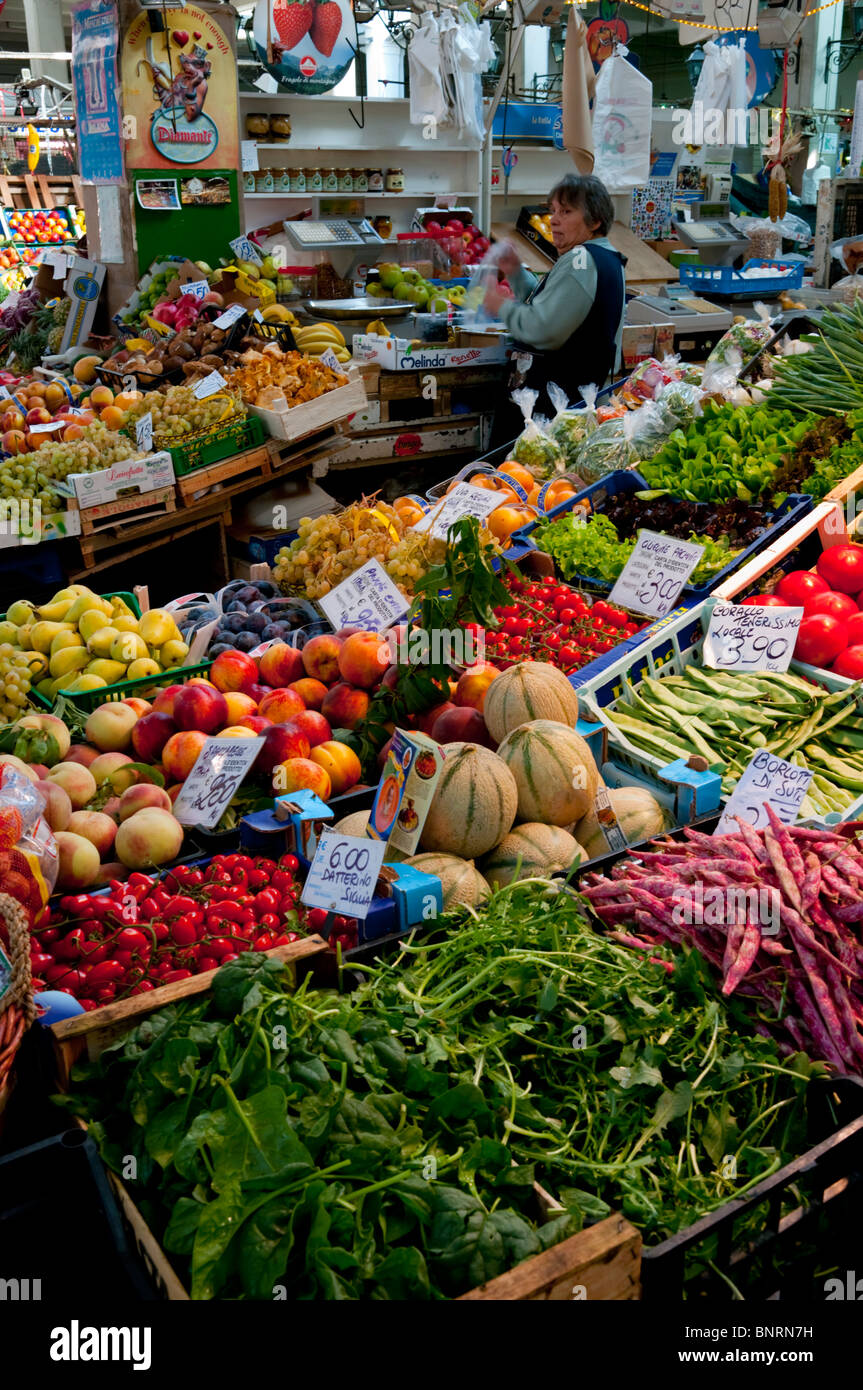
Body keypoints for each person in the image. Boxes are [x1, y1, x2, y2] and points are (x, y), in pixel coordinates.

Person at [484, 173, 626, 448]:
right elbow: (556, 303)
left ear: (595, 221)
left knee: (519, 482)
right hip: (571, 406)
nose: (554, 219)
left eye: (567, 211)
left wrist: (499, 305)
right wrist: (515, 272)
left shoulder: (580, 261)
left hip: (553, 411)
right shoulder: (603, 257)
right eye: (553, 211)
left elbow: (543, 329)